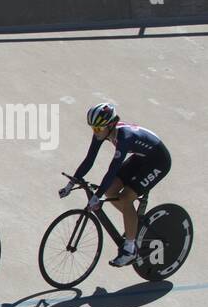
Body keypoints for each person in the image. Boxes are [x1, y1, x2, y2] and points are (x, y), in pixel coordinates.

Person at [65, 102, 171, 266]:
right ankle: (133, 222)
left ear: (110, 124)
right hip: (141, 157)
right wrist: (71, 182)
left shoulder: (124, 137)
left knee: (125, 198)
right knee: (111, 191)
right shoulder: (103, 131)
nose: (96, 132)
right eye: (93, 128)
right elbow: (89, 160)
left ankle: (130, 249)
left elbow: (113, 169)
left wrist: (96, 196)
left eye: (98, 129)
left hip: (158, 161)